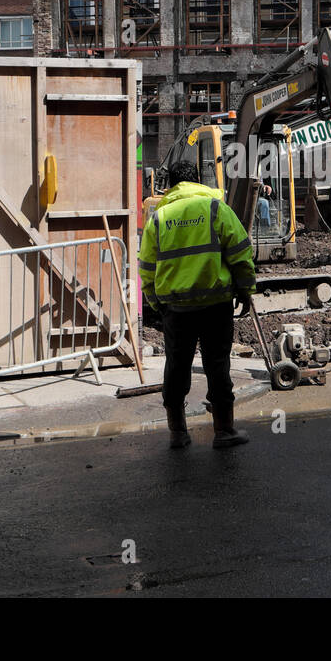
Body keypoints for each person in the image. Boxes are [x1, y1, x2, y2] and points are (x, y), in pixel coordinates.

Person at [139, 161, 256, 449]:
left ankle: (178, 433)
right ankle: (224, 431)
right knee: (218, 366)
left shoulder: (160, 216)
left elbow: (146, 267)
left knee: (177, 367)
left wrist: (157, 303)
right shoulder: (216, 209)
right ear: (198, 181)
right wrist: (245, 290)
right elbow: (241, 253)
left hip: (177, 310)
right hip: (216, 305)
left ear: (173, 184)